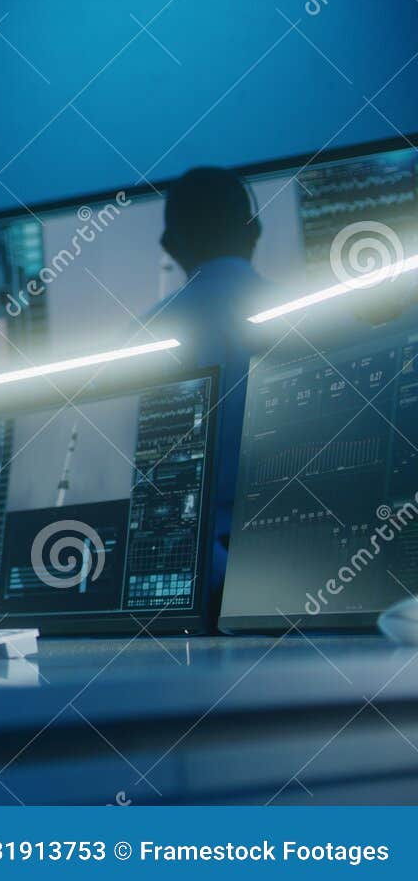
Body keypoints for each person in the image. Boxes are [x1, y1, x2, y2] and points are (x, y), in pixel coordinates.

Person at [137, 167, 274, 585]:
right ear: (255, 229)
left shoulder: (143, 341)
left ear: (170, 245)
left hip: (191, 576)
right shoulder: (315, 320)